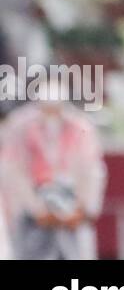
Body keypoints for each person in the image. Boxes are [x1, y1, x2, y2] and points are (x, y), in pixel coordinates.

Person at [0, 83, 107, 259]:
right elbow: (12, 171)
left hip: (72, 216)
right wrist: (36, 209)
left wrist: (83, 209)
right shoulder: (20, 127)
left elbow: (92, 171)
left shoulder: (80, 128)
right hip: (32, 219)